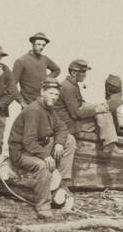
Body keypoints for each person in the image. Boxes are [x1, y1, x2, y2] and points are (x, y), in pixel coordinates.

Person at [6, 78, 73, 219]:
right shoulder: (34, 110)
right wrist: (46, 156)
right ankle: (43, 206)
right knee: (43, 166)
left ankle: (62, 183)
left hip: (36, 147)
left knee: (69, 140)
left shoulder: (49, 109)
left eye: (56, 94)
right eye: (50, 93)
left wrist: (59, 143)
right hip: (21, 152)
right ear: (42, 92)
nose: (54, 97)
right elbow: (28, 141)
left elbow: (62, 127)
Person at [57, 59, 119, 156]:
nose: (85, 74)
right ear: (73, 73)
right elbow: (76, 113)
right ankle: (109, 144)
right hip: (70, 125)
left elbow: (81, 103)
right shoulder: (68, 87)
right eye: (83, 72)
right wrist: (97, 109)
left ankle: (109, 142)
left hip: (72, 122)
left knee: (102, 110)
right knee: (102, 113)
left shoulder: (71, 85)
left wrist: (97, 106)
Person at [12, 32, 60, 105]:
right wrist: (22, 102)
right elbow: (11, 85)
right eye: (38, 44)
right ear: (32, 44)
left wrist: (46, 80)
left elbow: (57, 70)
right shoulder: (21, 61)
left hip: (44, 101)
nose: (41, 47)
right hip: (29, 103)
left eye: (43, 45)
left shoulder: (45, 59)